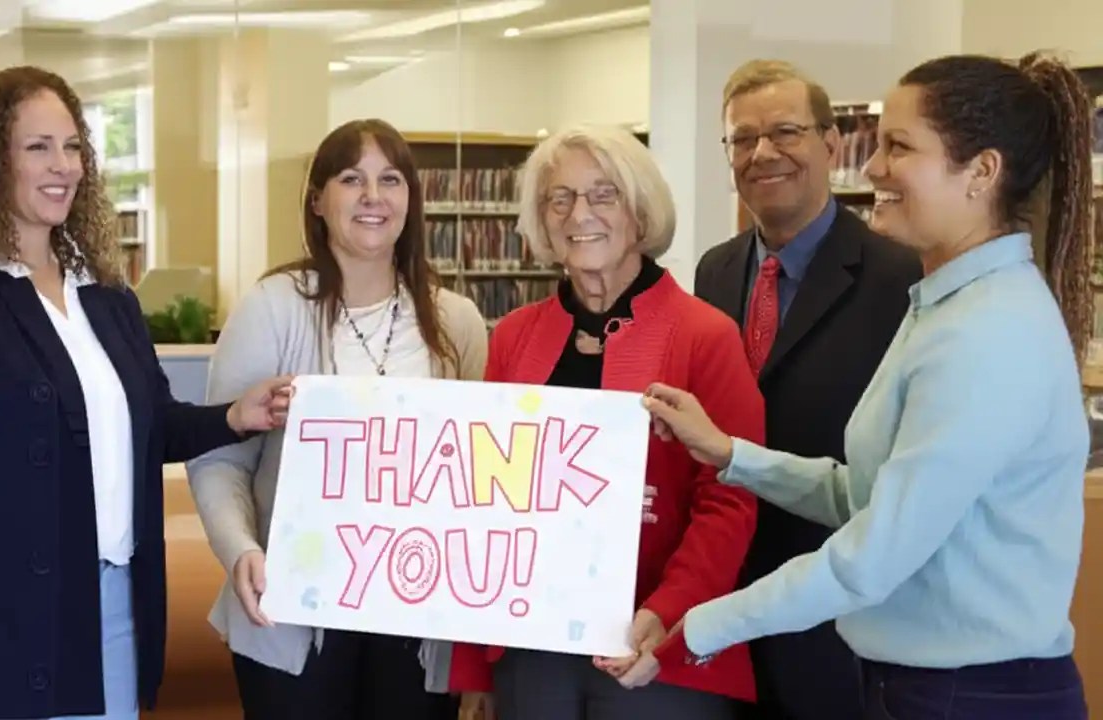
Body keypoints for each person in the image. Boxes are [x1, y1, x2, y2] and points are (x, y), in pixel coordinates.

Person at [629, 51, 1095, 720]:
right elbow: (862, 494)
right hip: (915, 685)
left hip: (973, 696)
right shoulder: (945, 306)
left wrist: (699, 626)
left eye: (899, 147)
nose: (873, 168)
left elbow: (874, 554)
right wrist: (731, 455)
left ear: (981, 172)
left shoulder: (988, 331)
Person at [0, 66, 292, 720]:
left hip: (116, 606)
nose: (63, 165)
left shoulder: (107, 296)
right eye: (38, 147)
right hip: (1, 617)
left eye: (72, 147)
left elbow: (150, 427)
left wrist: (236, 417)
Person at [448, 124, 765, 720]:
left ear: (640, 212)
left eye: (603, 194)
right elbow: (482, 505)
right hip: (530, 644)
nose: (578, 213)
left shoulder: (706, 336)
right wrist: (473, 670)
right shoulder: (515, 336)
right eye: (559, 198)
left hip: (659, 646)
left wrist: (667, 613)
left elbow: (729, 501)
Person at [183, 118, 489, 720]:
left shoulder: (457, 323)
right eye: (352, 179)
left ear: (410, 201)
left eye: (390, 180)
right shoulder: (273, 308)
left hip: (417, 615)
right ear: (319, 200)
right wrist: (239, 549)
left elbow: (477, 476)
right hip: (290, 609)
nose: (373, 197)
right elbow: (221, 456)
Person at [692, 59, 921, 720]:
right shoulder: (716, 271)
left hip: (842, 616)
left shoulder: (899, 277)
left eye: (786, 132)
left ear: (829, 143)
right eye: (742, 138)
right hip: (729, 600)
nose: (763, 153)